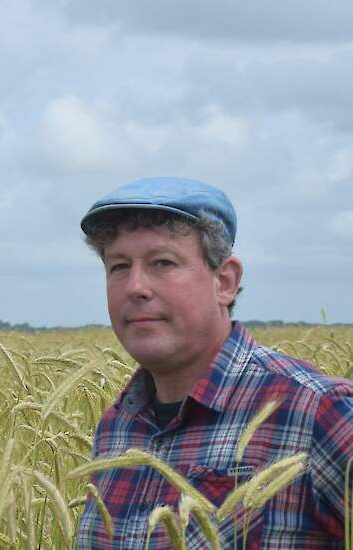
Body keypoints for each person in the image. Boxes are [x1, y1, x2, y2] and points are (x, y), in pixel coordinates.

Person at [75, 177, 353, 548]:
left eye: (162, 262)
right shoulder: (118, 426)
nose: (135, 286)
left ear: (224, 282)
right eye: (118, 267)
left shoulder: (318, 412)